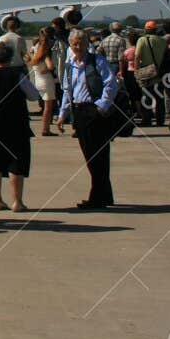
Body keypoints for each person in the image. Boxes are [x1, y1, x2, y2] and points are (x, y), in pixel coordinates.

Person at [59, 28, 122, 209]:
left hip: (93, 111)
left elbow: (111, 84)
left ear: (87, 44)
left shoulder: (97, 61)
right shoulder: (70, 65)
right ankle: (104, 195)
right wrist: (63, 114)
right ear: (70, 44)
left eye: (81, 43)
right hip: (79, 112)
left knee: (98, 155)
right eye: (75, 43)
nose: (78, 46)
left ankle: (98, 197)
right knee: (90, 156)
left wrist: (102, 106)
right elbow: (66, 91)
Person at [0, 42, 38, 211]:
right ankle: (17, 201)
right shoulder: (17, 75)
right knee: (16, 161)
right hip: (16, 123)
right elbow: (33, 96)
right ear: (10, 58)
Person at [133, 20, 168, 129]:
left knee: (146, 97)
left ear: (146, 29)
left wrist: (136, 71)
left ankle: (147, 119)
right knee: (159, 97)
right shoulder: (162, 41)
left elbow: (137, 57)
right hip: (159, 72)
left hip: (146, 72)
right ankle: (160, 119)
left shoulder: (142, 40)